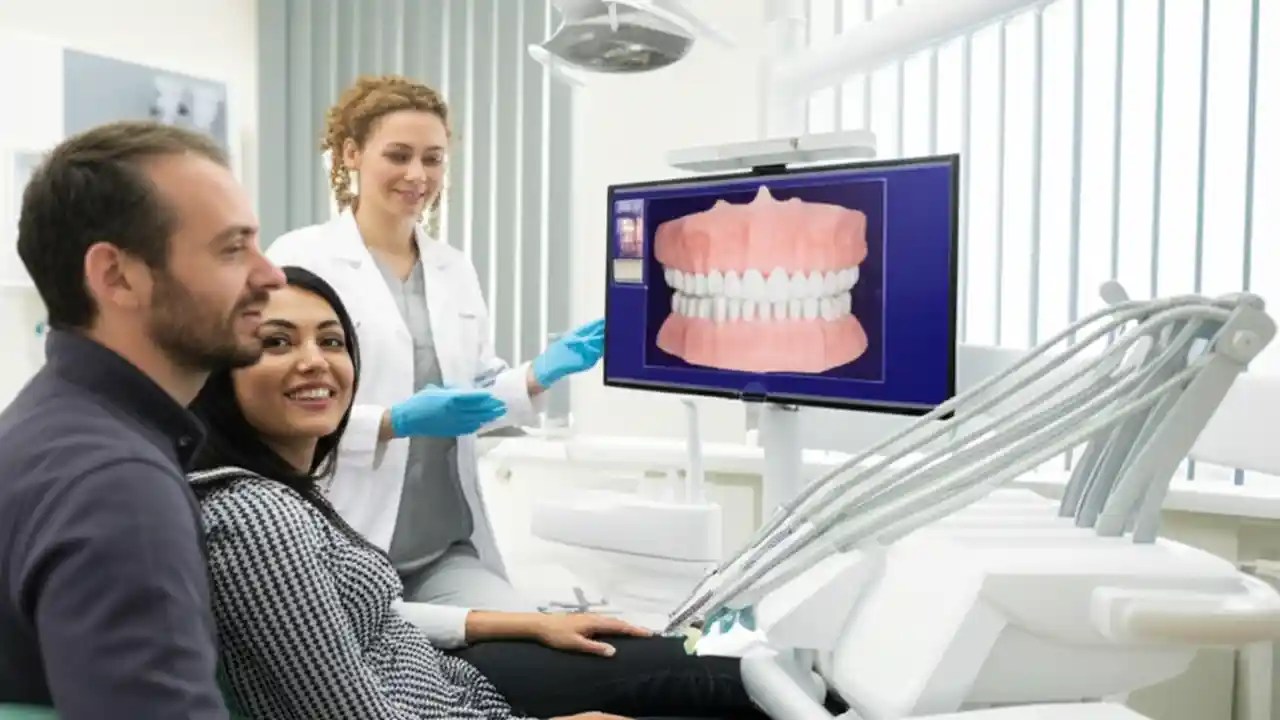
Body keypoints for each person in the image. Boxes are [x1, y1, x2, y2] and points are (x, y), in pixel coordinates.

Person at [187, 265, 766, 720]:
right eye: (278, 344)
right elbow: (348, 705)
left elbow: (353, 624)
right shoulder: (259, 518)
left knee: (727, 672)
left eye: (332, 342)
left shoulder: (286, 496)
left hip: (447, 680)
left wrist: (526, 623)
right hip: (448, 698)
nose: (314, 361)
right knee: (743, 681)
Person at [265, 74, 606, 618]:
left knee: (525, 651)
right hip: (346, 537)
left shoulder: (453, 268)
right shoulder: (301, 259)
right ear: (351, 154)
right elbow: (274, 406)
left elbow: (471, 396)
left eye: (433, 159)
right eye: (398, 155)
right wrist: (391, 421)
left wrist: (539, 374)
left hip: (445, 544)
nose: (417, 175)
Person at [0, 121, 285, 717]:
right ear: (117, 276)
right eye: (233, 249)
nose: (271, 275)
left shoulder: (46, 426)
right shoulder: (117, 486)